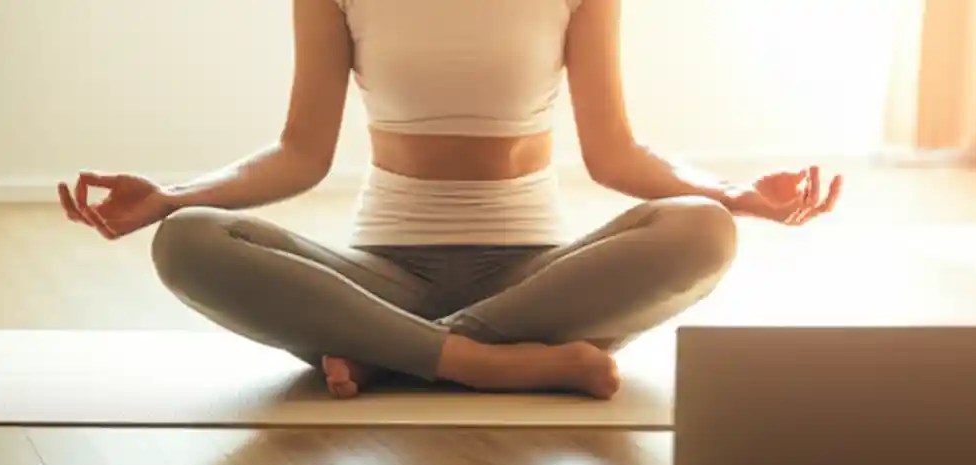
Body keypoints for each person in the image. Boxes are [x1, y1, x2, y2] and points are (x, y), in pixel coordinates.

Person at [56, 0, 842, 400]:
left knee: (703, 230)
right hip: (382, 273)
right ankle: (481, 362)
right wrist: (172, 197)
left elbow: (617, 154)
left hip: (538, 281)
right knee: (187, 241)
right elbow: (301, 153)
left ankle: (393, 354)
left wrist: (731, 194)